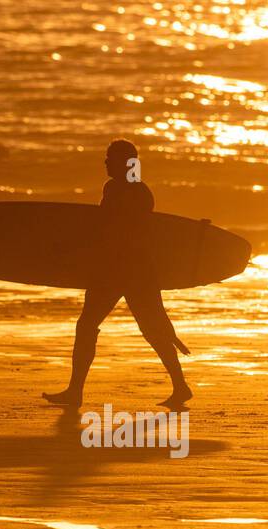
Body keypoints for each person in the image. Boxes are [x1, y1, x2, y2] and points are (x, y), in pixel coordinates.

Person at [43, 140, 192, 408]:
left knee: (130, 329)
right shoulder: (129, 189)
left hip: (123, 271)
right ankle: (180, 386)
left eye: (110, 158)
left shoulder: (129, 191)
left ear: (125, 162)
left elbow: (114, 231)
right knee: (146, 330)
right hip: (130, 270)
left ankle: (76, 392)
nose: (105, 162)